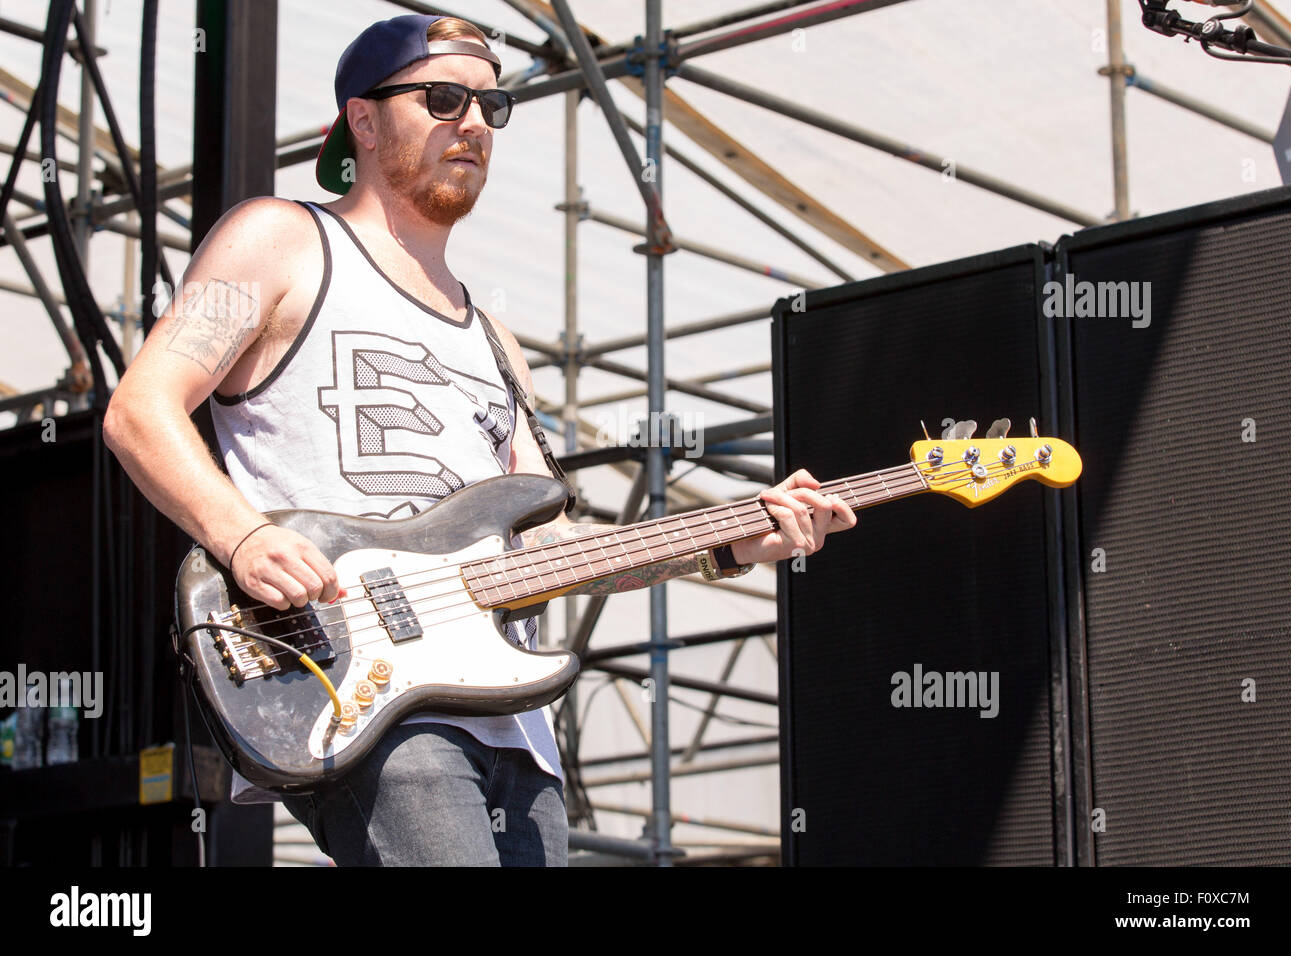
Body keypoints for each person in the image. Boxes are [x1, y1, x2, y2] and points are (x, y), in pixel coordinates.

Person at [103, 13, 856, 866]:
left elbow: (555, 546)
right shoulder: (281, 240)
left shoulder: (494, 337)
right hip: (372, 690)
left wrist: (722, 544)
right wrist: (242, 535)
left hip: (516, 726)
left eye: (490, 105)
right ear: (364, 118)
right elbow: (140, 410)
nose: (472, 122)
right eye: (443, 98)